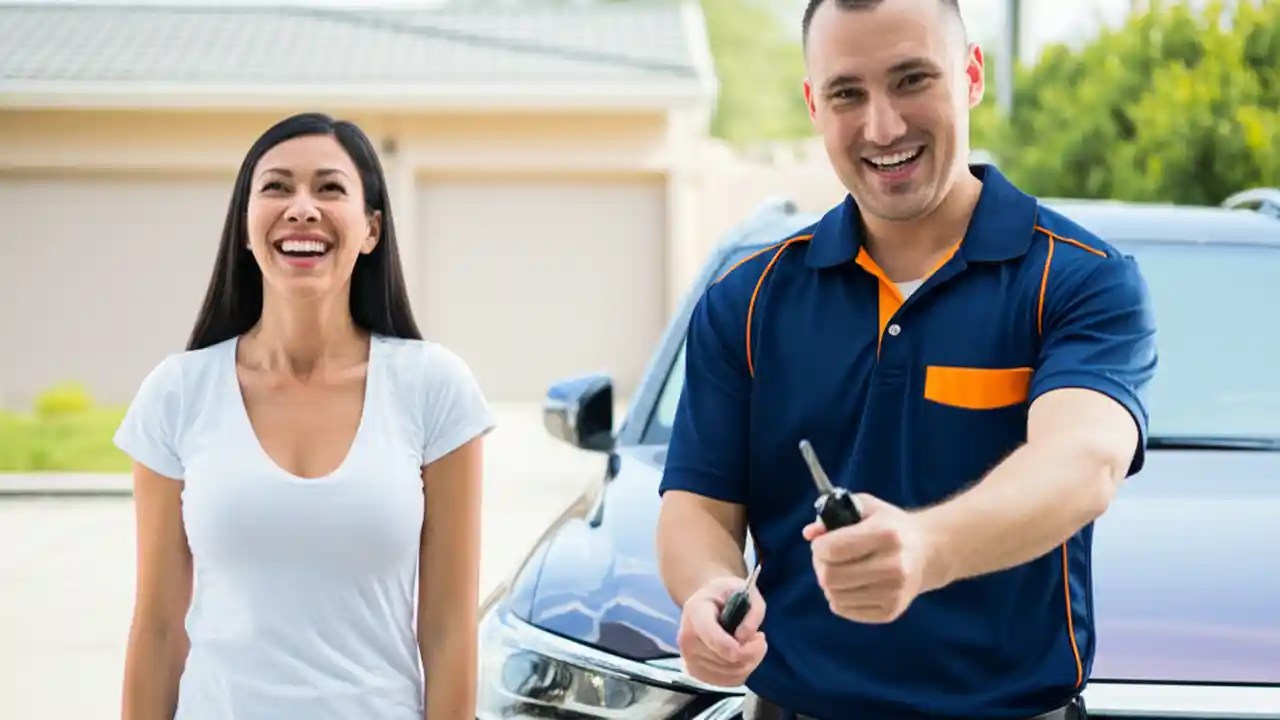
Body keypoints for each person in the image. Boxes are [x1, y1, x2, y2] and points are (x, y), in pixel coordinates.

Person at [655, 0, 1157, 719]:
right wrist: (706, 588)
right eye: (847, 93)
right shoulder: (748, 298)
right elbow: (697, 505)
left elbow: (1083, 465)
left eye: (912, 79)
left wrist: (926, 547)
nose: (883, 127)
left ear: (972, 74)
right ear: (812, 104)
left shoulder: (1080, 280)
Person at [115, 112, 495, 720]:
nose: (301, 207)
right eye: (276, 187)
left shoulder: (434, 387)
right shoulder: (176, 393)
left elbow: (450, 630)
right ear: (245, 228)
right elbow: (159, 629)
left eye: (329, 188)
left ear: (371, 229)